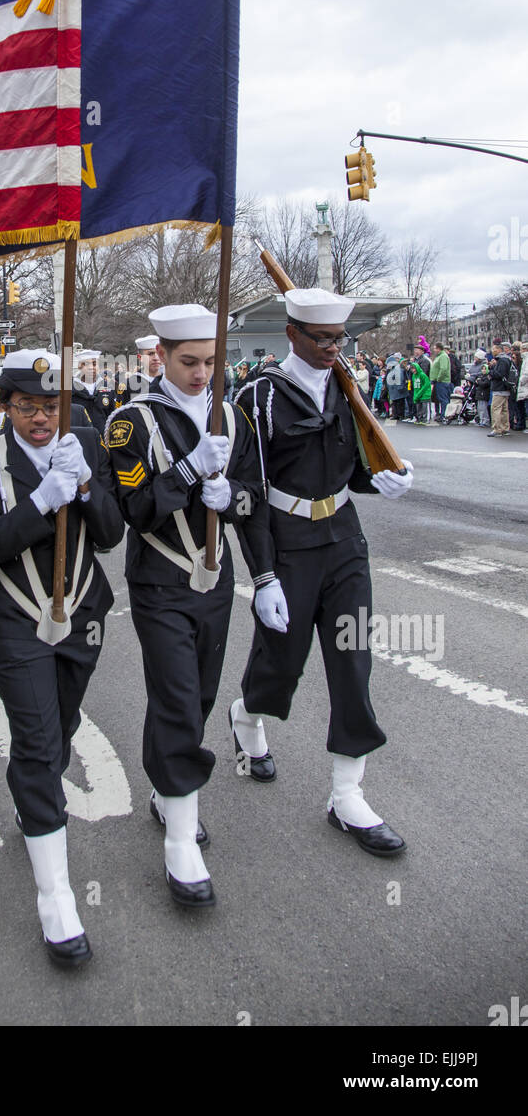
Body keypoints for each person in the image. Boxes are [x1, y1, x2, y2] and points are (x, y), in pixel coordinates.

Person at [230, 288, 413, 857]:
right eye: (323, 338)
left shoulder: (347, 387)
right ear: (292, 334)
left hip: (344, 541)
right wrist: (261, 577)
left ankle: (347, 794)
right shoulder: (257, 398)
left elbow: (352, 468)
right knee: (281, 665)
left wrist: (386, 477)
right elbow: (249, 495)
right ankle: (246, 715)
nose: (335, 348)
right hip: (287, 544)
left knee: (353, 662)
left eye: (340, 338)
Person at [0, 349, 124, 966]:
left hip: (81, 610)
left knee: (59, 732)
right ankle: (56, 899)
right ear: (5, 404)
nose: (41, 419)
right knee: (34, 740)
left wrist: (82, 484)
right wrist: (39, 502)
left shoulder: (81, 441)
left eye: (51, 406)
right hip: (15, 618)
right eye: (28, 406)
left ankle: (34, 803)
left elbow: (110, 535)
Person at [106, 305, 261, 907]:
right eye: (188, 362)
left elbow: (254, 498)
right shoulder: (131, 422)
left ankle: (165, 791)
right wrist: (192, 472)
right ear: (162, 358)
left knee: (197, 695)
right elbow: (135, 512)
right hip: (160, 580)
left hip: (215, 579)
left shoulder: (230, 414)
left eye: (210, 362)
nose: (201, 374)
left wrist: (235, 495)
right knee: (174, 693)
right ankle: (180, 839)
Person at [487, 343, 514, 437]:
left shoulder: (502, 360)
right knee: (504, 409)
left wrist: (490, 372)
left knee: (496, 408)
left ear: (499, 349)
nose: (492, 351)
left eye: (494, 349)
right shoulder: (507, 359)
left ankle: (497, 429)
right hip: (506, 387)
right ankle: (505, 428)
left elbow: (499, 374)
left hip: (499, 387)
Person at [467, 349, 491, 427]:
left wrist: (477, 380)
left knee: (483, 407)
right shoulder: (474, 365)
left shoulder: (484, 371)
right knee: (479, 407)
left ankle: (485, 420)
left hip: (483, 393)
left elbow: (484, 382)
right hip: (477, 390)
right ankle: (481, 419)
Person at [430, 342, 452, 421]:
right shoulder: (438, 356)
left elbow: (443, 369)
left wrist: (438, 378)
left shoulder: (443, 356)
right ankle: (440, 414)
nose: (434, 350)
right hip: (437, 381)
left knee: (443, 399)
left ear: (439, 348)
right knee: (439, 398)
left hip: (442, 381)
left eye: (435, 348)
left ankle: (444, 415)